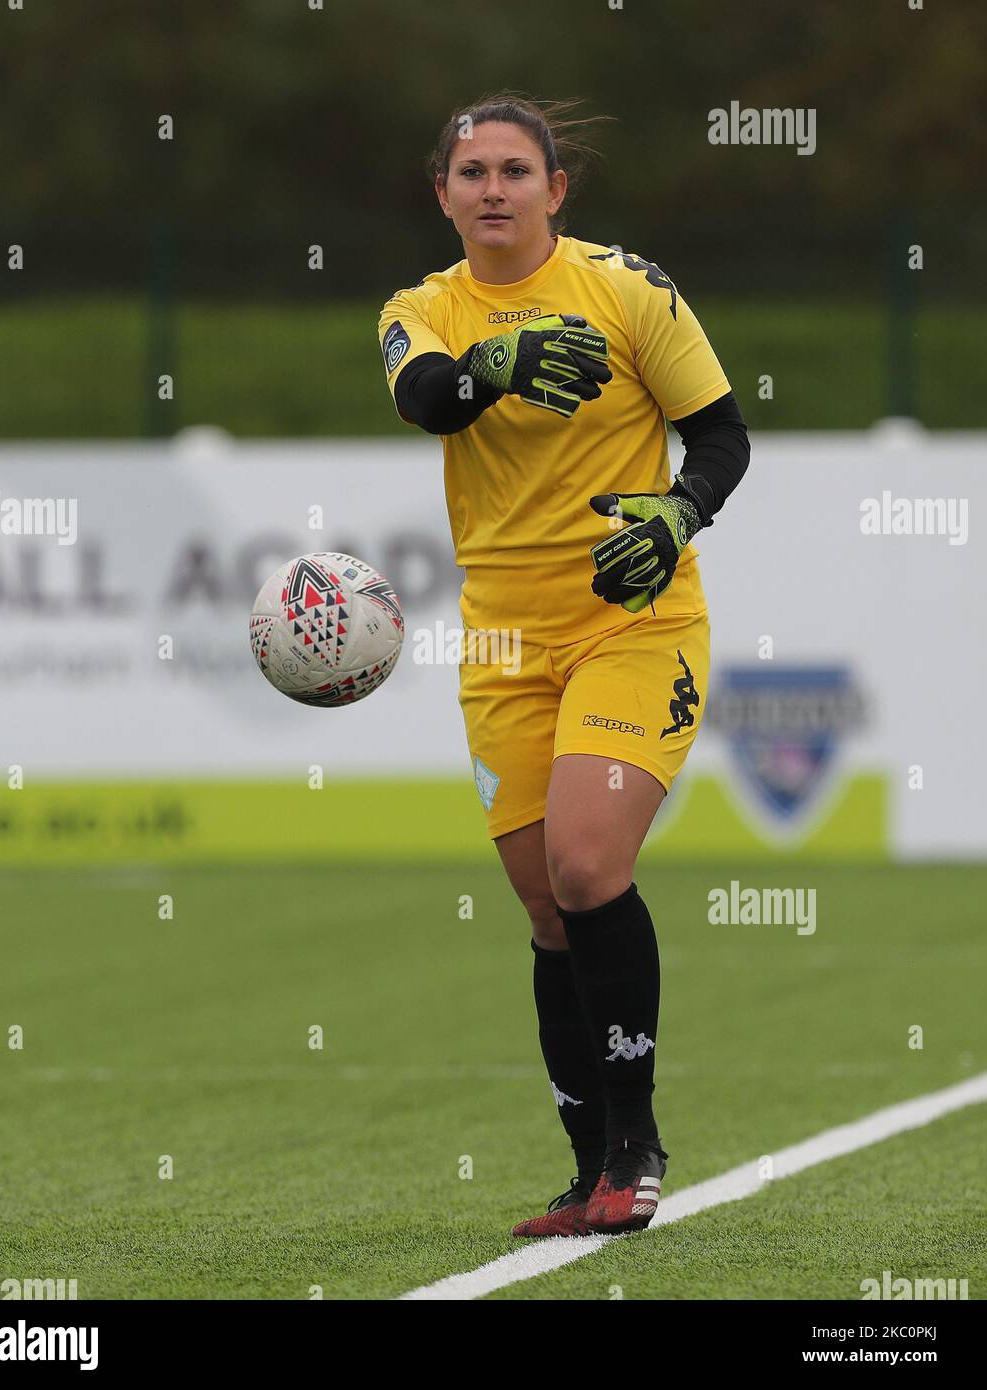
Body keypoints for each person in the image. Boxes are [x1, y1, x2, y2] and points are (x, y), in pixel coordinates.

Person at [377, 94, 749, 1237]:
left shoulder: (629, 288)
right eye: (470, 171)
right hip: (500, 642)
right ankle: (589, 1167)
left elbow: (721, 437)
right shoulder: (420, 309)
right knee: (547, 913)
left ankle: (636, 1150)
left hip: (629, 623)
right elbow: (426, 398)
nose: (492, 188)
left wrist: (677, 514)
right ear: (440, 193)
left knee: (588, 871)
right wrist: (493, 361)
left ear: (556, 188)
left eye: (514, 170)